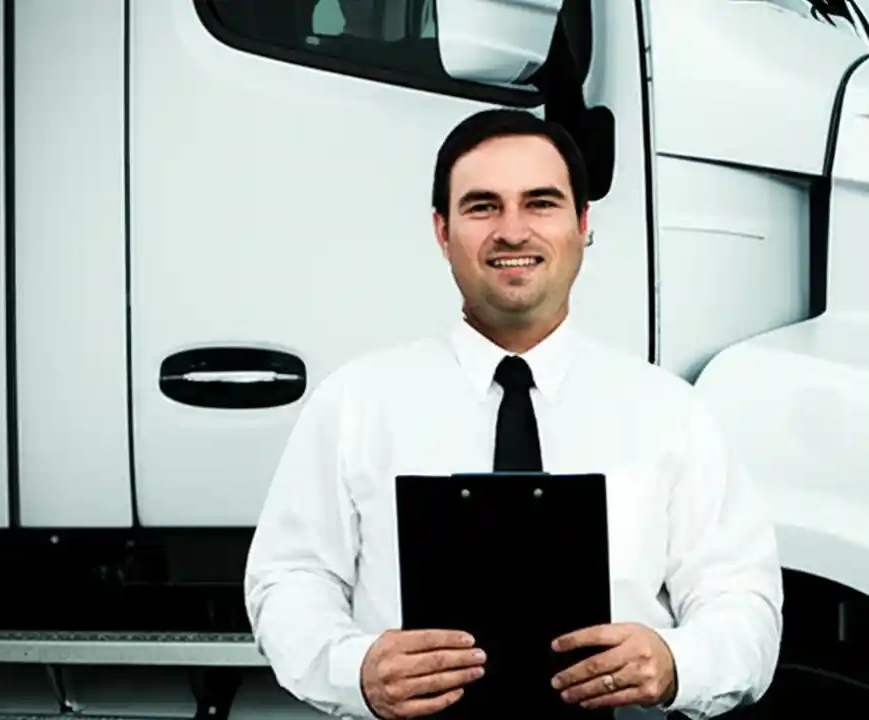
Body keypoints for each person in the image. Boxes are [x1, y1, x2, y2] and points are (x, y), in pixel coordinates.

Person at [243, 108, 784, 719]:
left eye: (541, 203)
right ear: (442, 232)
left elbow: (745, 602)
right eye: (482, 207)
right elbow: (288, 579)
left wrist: (675, 662)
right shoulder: (356, 403)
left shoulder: (673, 414)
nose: (513, 231)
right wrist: (355, 670)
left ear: (583, 225)